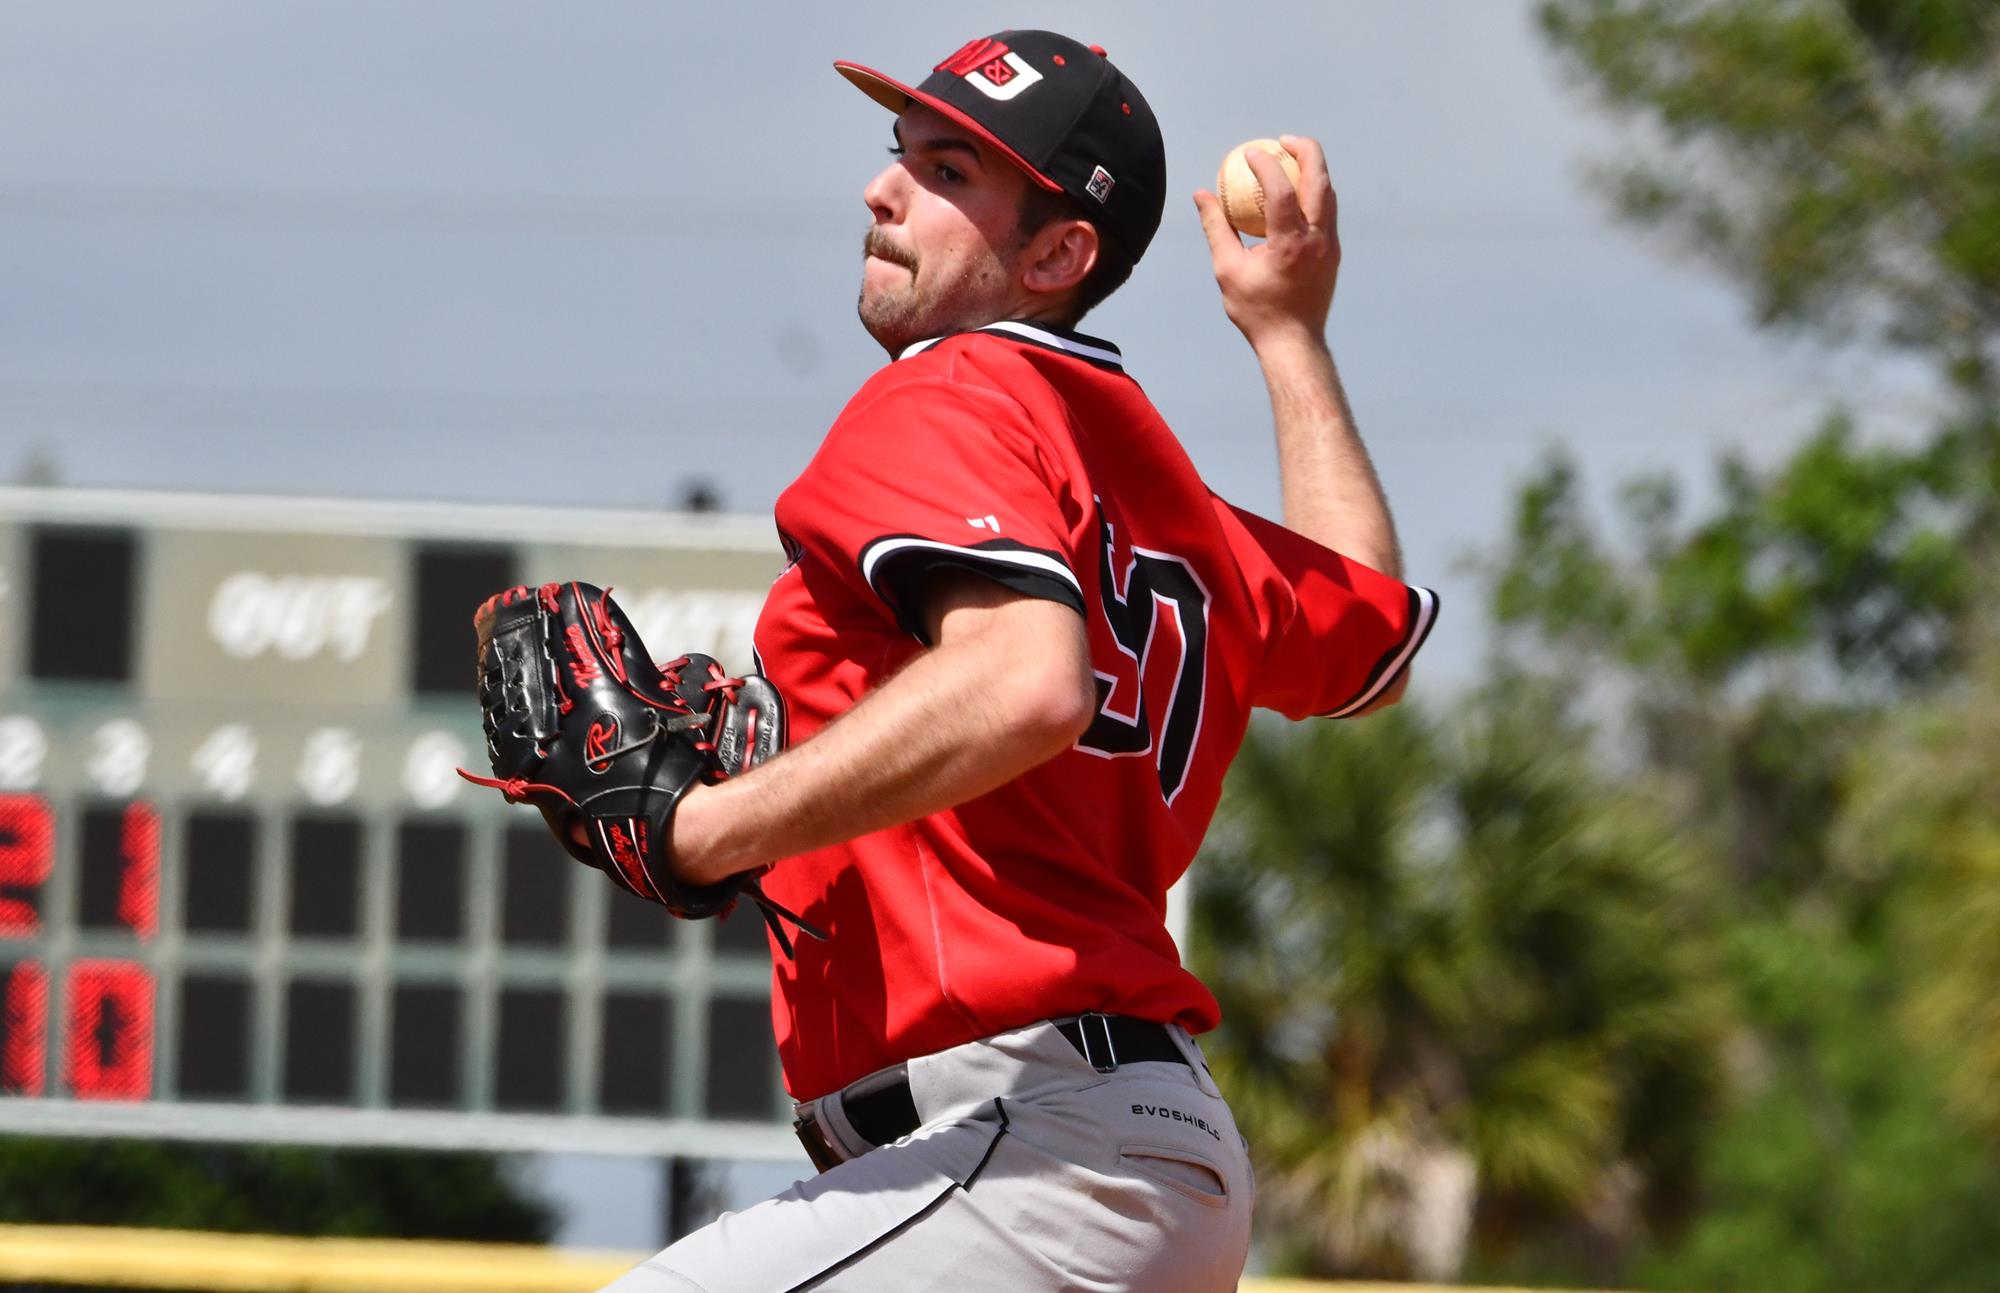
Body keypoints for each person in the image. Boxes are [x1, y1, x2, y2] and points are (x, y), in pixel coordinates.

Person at [603, 29, 1437, 1293]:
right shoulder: (1155, 499)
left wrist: (702, 831)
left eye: (949, 173)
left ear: (1056, 255)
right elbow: (1367, 636)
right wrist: (1286, 336)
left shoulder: (946, 391)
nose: (884, 190)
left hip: (1025, 1152)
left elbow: (1024, 680)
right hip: (1106, 1159)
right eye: (905, 153)